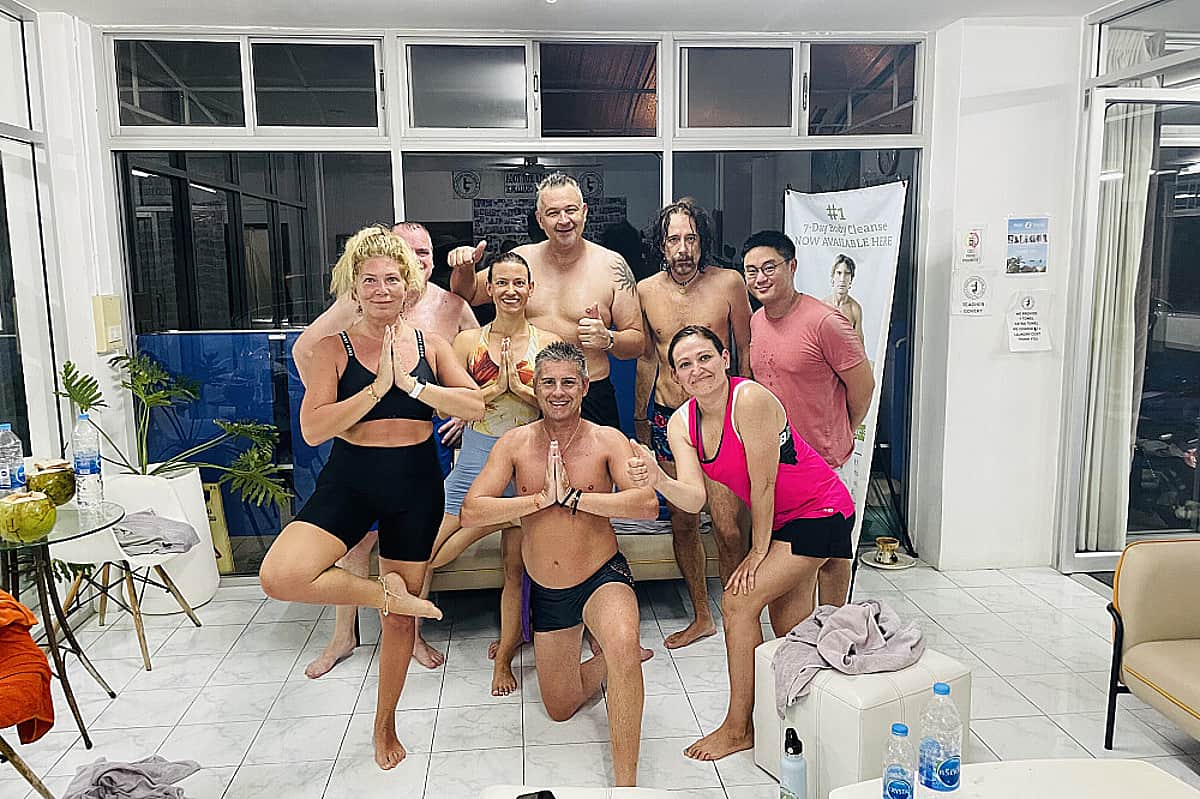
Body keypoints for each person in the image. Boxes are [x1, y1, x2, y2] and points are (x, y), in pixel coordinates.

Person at [259, 225, 484, 770]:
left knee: (400, 626)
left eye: (392, 279)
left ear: (408, 285)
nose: (382, 289)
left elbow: (475, 406)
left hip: (414, 481)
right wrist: (374, 390)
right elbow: (314, 429)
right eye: (370, 280)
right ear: (352, 289)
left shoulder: (431, 343)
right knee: (281, 575)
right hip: (351, 478)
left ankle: (385, 723)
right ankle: (386, 595)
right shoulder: (330, 349)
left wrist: (413, 388)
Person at [626, 325, 855, 761]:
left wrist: (757, 551)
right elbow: (693, 497)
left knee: (736, 602)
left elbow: (764, 485)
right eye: (685, 364)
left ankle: (738, 728)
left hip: (821, 509)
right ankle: (816, 715)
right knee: (790, 627)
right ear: (675, 376)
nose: (698, 369)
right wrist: (659, 478)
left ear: (725, 358)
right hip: (787, 519)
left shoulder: (747, 400)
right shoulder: (682, 423)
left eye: (705, 358)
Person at [460, 342, 658, 787]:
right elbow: (472, 510)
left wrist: (576, 498)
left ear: (585, 386)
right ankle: (605, 660)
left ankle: (626, 787)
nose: (558, 391)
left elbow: (646, 505)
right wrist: (538, 500)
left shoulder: (606, 439)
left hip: (602, 576)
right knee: (559, 706)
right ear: (535, 387)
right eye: (548, 382)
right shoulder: (515, 444)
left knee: (625, 646)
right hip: (549, 591)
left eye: (569, 382)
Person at [294, 221, 479, 678]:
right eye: (406, 250)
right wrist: (341, 405)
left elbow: (477, 365)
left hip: (423, 445)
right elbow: (307, 352)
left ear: (429, 261)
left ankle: (409, 631)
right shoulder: (356, 303)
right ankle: (344, 634)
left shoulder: (449, 306)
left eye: (423, 251)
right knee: (353, 543)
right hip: (360, 451)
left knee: (415, 545)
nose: (417, 258)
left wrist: (447, 406)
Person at [426, 251, 560, 696]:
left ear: (531, 288)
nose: (510, 290)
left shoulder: (550, 343)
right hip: (477, 458)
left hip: (526, 465)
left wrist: (518, 387)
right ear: (489, 289)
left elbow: (561, 408)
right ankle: (409, 631)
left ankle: (505, 654)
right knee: (428, 552)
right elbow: (450, 402)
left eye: (518, 282)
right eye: (500, 282)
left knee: (513, 570)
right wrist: (490, 390)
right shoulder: (467, 343)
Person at [634, 200, 752, 649]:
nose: (683, 249)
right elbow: (648, 356)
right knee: (682, 523)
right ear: (661, 246)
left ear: (702, 240)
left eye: (691, 238)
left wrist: (747, 412)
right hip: (667, 415)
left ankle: (740, 611)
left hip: (720, 418)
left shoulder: (729, 284)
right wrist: (642, 419)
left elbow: (745, 350)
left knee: (726, 526)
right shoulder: (645, 290)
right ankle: (702, 615)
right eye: (673, 240)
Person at [448, 172, 644, 429]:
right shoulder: (521, 260)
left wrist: (608, 338)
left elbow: (638, 341)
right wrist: (464, 266)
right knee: (527, 468)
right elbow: (468, 294)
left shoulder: (611, 266)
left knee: (594, 468)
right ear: (540, 220)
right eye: (553, 213)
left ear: (584, 211)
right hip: (528, 394)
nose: (564, 220)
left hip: (590, 392)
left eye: (571, 210)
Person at [743, 231, 873, 608]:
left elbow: (863, 386)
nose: (760, 279)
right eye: (751, 271)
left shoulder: (825, 321)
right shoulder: (756, 321)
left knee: (834, 554)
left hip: (826, 459)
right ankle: (804, 631)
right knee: (800, 553)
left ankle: (836, 623)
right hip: (781, 459)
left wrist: (839, 431)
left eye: (769, 267)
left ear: (792, 266)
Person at [824, 253, 864, 342]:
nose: (842, 279)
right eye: (839, 273)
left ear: (851, 279)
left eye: (847, 274)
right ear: (833, 277)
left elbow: (859, 346)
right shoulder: (822, 306)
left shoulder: (855, 309)